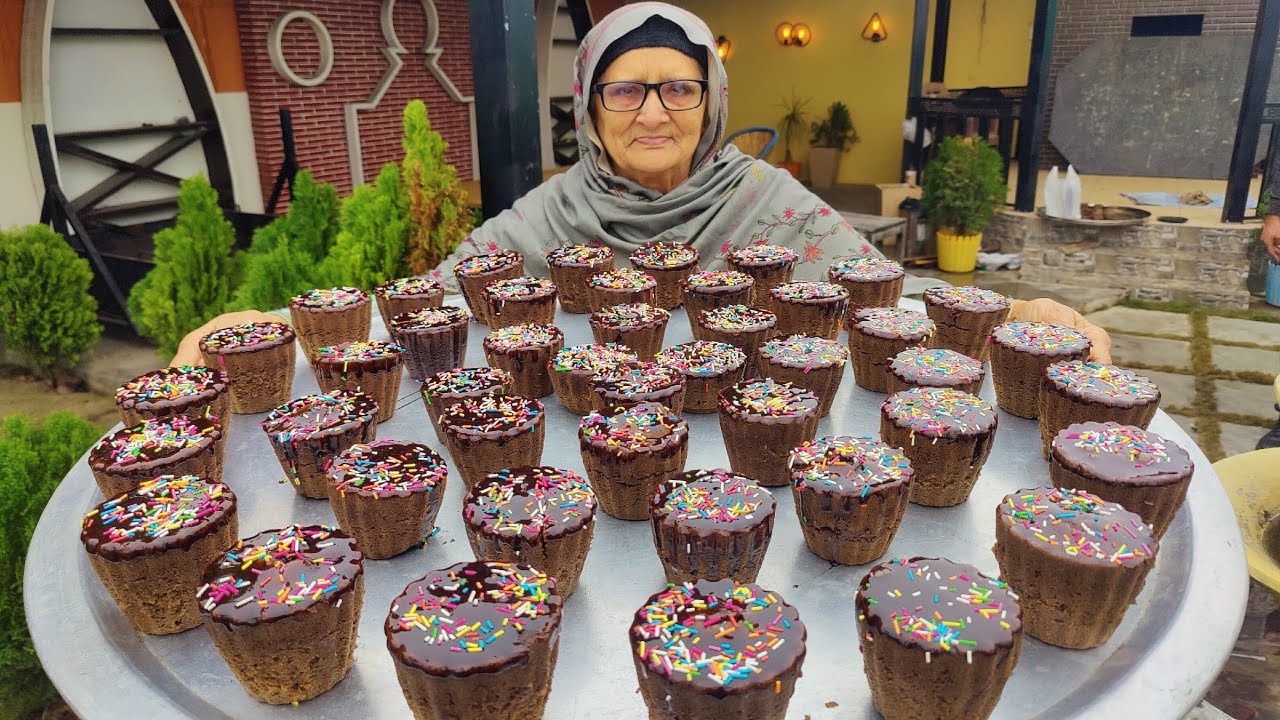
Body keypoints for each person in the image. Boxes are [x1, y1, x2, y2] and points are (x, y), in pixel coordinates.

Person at [172, 2, 1111, 365]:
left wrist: (1007, 310)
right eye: (626, 87)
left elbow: (887, 295)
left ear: (711, 101)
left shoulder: (768, 202)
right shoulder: (556, 211)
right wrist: (286, 336)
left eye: (679, 87)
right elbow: (432, 301)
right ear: (590, 105)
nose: (653, 111)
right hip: (587, 460)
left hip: (756, 460)